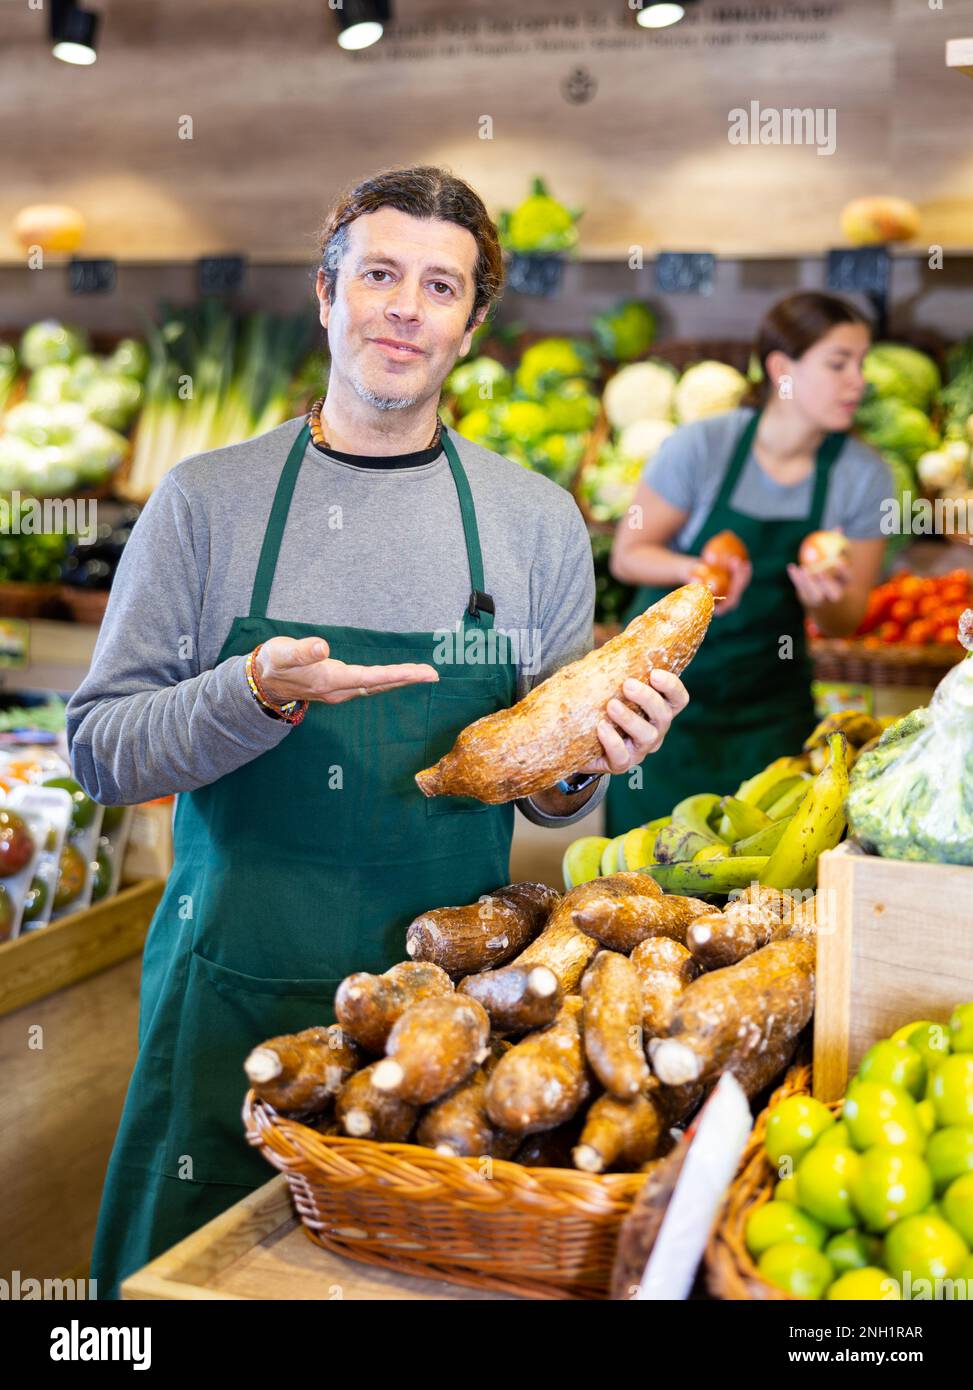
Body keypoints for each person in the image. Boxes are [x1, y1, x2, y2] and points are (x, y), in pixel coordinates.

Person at [66, 165, 690, 1298]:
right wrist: (248, 689)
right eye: (380, 274)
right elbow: (101, 749)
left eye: (439, 286)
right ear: (326, 294)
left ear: (470, 325)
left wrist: (593, 763)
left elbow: (546, 796)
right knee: (186, 1281)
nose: (405, 305)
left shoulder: (535, 523)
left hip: (447, 1015)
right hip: (235, 986)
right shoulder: (205, 503)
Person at [604, 291, 891, 836]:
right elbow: (629, 554)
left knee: (758, 875)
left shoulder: (863, 476)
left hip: (770, 713)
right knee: (641, 875)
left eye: (862, 362)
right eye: (838, 363)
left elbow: (847, 618)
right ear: (783, 368)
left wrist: (822, 602)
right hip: (661, 706)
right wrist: (696, 576)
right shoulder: (703, 446)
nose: (858, 380)